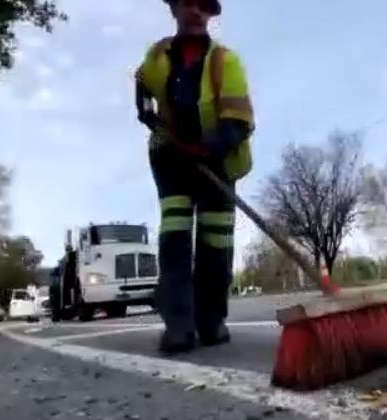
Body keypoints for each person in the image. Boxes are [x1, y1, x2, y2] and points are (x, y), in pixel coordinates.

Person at [133, 0, 255, 354]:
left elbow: (239, 120)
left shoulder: (225, 61)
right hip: (170, 160)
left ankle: (211, 319)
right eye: (189, 3)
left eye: (204, 5)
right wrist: (145, 111)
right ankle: (179, 325)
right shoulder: (156, 55)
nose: (196, 11)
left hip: (217, 161)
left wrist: (207, 149)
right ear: (175, 9)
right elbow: (142, 81)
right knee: (175, 238)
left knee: (215, 243)